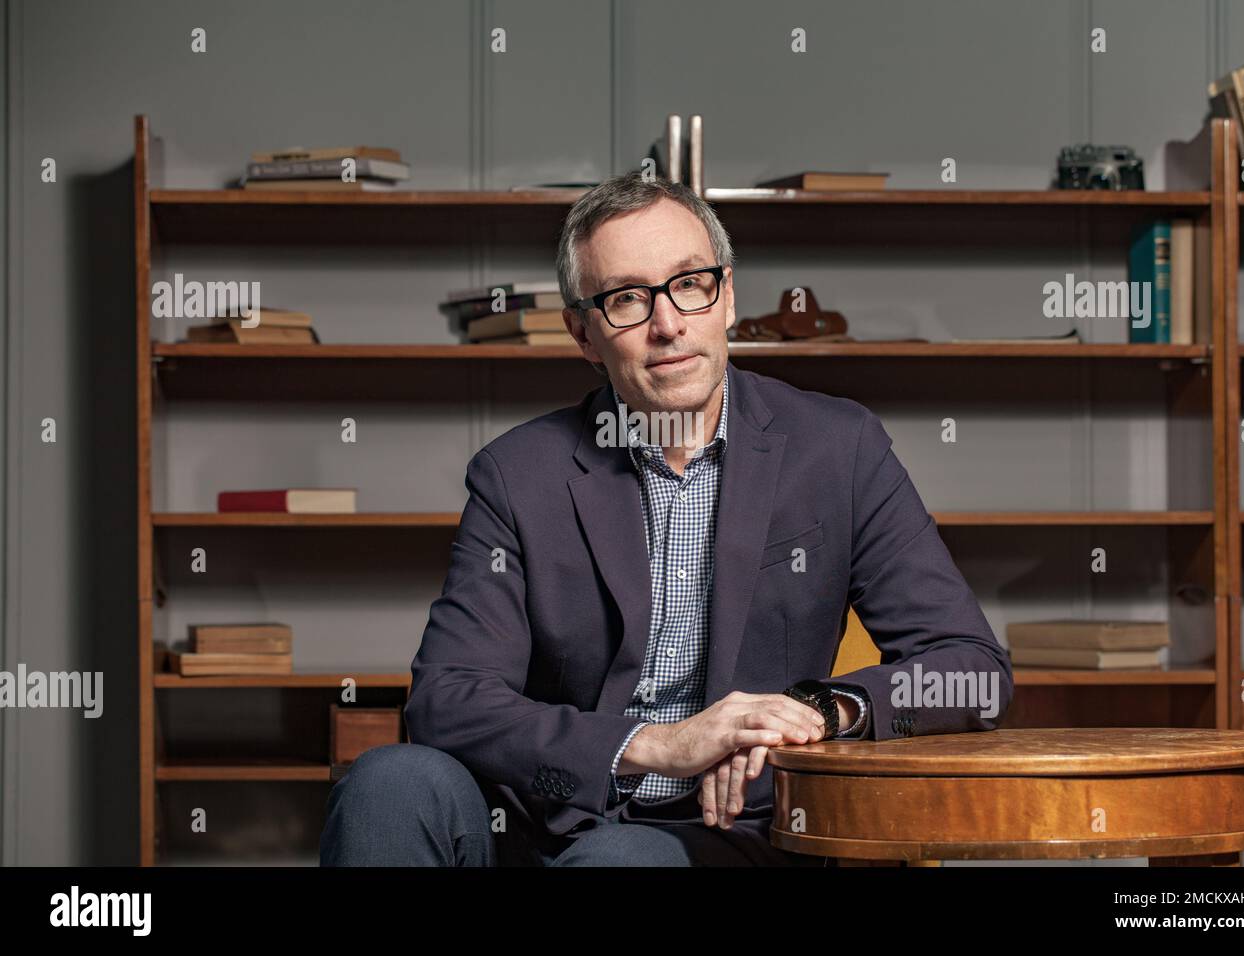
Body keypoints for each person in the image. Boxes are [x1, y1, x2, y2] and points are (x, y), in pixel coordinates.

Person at [320, 171, 1012, 866]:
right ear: (584, 336)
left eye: (690, 284)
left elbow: (972, 669)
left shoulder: (837, 447)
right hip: (545, 818)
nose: (668, 324)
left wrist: (816, 710)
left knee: (621, 862)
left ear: (727, 294)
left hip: (727, 831)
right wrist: (649, 745)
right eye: (627, 298)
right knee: (389, 783)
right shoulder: (518, 474)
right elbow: (447, 698)